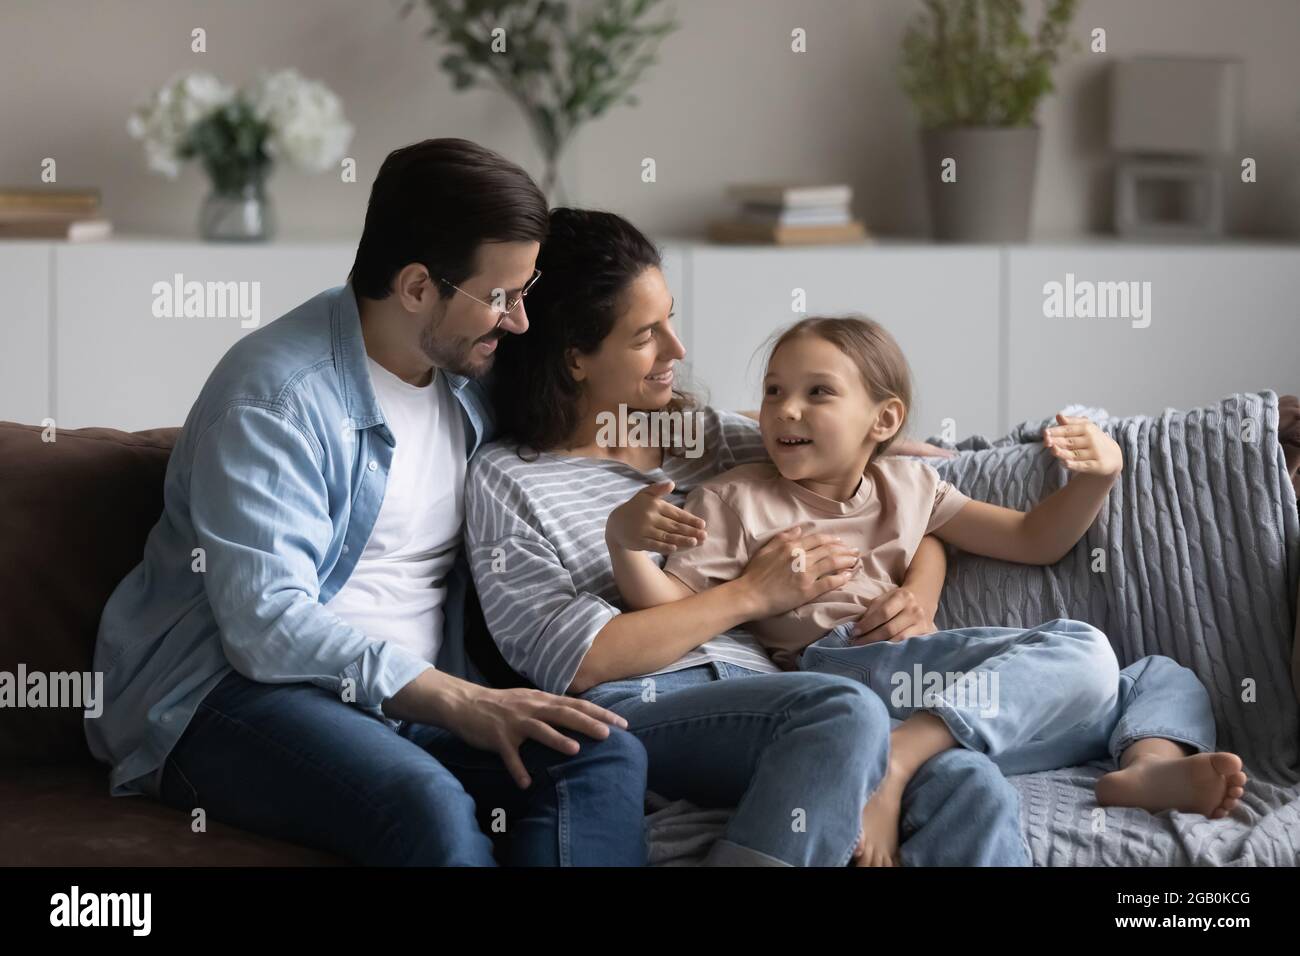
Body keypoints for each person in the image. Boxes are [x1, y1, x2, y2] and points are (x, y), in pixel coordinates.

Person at [87, 139, 648, 866]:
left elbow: (611, 410)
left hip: (406, 699)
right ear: (417, 287)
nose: (519, 323)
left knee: (599, 757)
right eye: (501, 296)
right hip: (229, 697)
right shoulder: (275, 397)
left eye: (525, 292)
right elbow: (266, 623)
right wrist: (456, 699)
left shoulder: (467, 380)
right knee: (427, 805)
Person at [466, 207, 1031, 866]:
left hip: (769, 694)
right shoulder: (508, 480)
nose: (677, 350)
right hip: (644, 705)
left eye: (670, 319)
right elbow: (578, 660)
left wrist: (922, 587)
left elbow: (889, 494)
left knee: (971, 783)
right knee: (842, 711)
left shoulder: (698, 436)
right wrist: (749, 595)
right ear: (575, 360)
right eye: (647, 335)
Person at [609, 314, 1248, 866]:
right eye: (774, 391)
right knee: (1083, 652)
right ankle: (896, 758)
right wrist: (627, 546)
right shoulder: (737, 498)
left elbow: (1034, 539)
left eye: (817, 392)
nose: (785, 410)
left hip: (945, 695)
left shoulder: (909, 486)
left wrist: (1096, 479)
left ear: (882, 418)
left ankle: (1138, 769)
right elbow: (672, 607)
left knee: (1159, 676)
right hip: (847, 664)